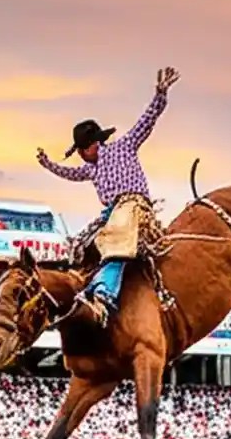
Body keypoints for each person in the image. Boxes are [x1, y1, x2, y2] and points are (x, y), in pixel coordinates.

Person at [36, 67, 179, 326]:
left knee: (115, 243)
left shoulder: (123, 147)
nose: (79, 155)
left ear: (92, 145)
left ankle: (105, 293)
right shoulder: (92, 168)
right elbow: (70, 173)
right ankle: (85, 286)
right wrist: (48, 165)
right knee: (81, 246)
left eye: (80, 149)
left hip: (133, 204)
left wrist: (160, 95)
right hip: (111, 211)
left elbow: (146, 122)